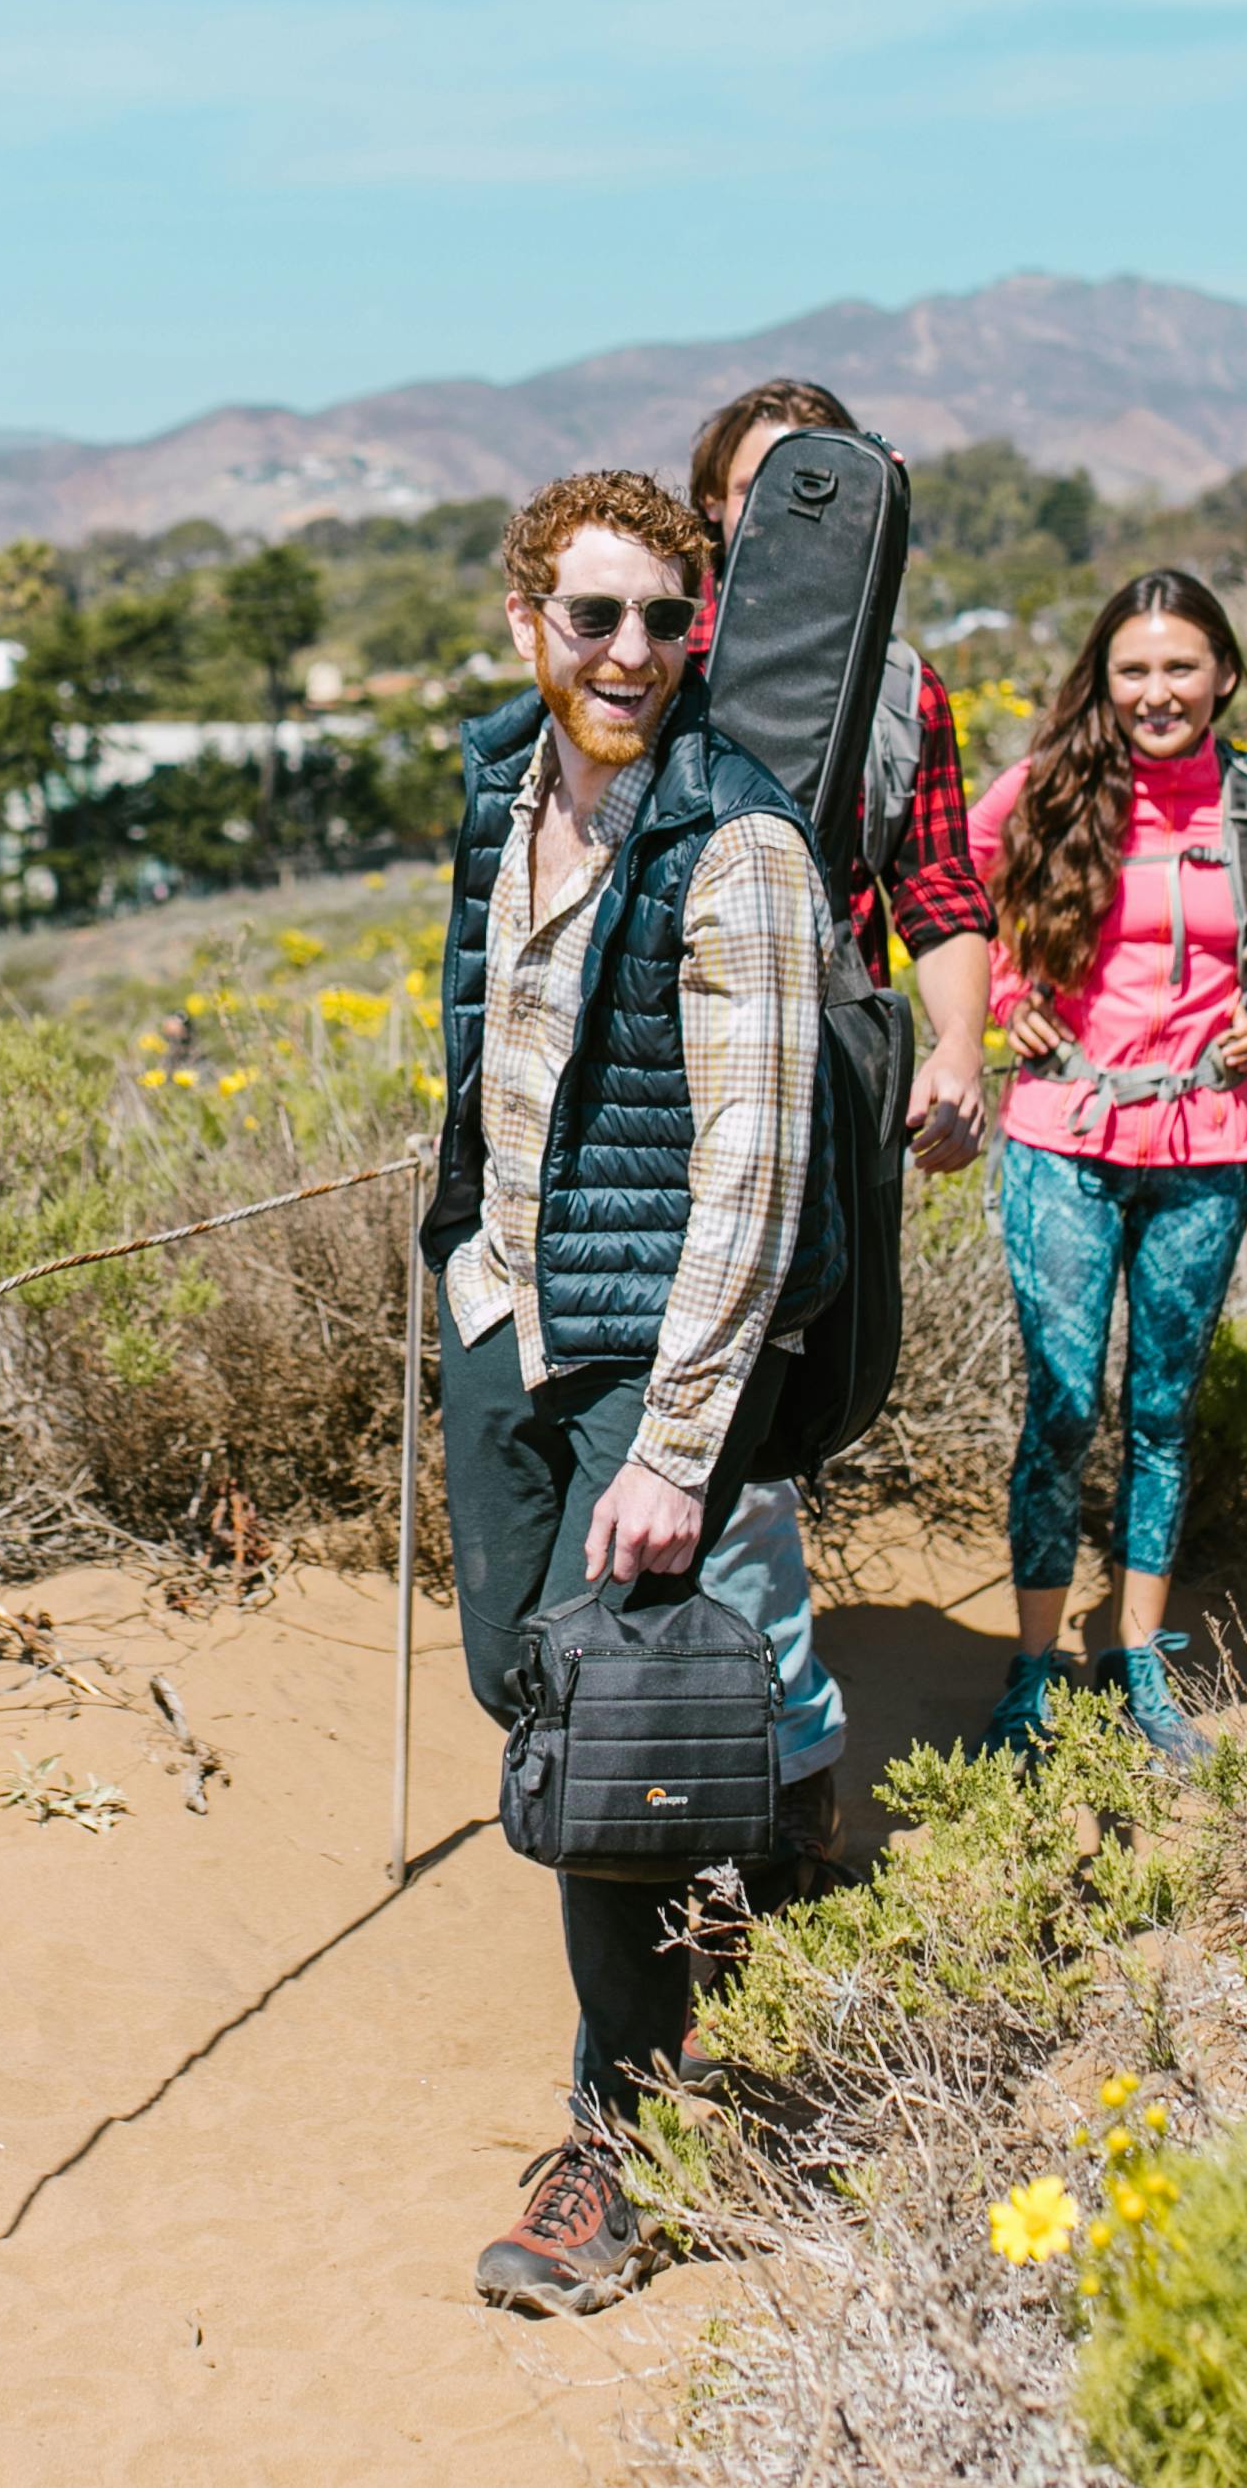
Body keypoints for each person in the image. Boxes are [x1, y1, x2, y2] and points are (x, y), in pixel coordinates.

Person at [426, 466, 834, 2316]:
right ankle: (704, 1925)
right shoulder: (496, 793)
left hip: (646, 1360)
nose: (632, 652)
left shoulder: (738, 849)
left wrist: (678, 1448)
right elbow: (480, 1051)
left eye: (667, 618)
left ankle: (624, 2140)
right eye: (594, 616)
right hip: (511, 1315)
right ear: (528, 621)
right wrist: (460, 1266)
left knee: (604, 1747)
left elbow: (754, 1174)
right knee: (520, 1678)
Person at [682, 378, 997, 1873]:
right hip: (646, 1110)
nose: (782, 518)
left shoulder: (904, 688)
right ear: (708, 510)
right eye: (759, 488)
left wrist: (954, 1045)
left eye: (821, 487)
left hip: (813, 1100)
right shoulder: (643, 654)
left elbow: (937, 887)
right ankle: (714, 1758)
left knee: (753, 1438)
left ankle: (783, 1782)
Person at [967, 569, 1247, 1768]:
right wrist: (1006, 999)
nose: (1157, 692)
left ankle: (1143, 1668)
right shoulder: (1044, 788)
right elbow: (957, 892)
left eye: (1180, 667)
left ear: (1222, 672)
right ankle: (1029, 1671)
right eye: (1133, 670)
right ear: (1102, 681)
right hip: (1062, 1138)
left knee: (1162, 1413)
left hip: (1205, 1143)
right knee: (1061, 1412)